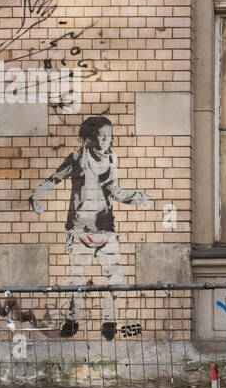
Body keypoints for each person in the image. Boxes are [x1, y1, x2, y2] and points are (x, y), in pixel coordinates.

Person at [29, 115, 152, 340]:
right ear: (88, 138)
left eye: (109, 136)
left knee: (115, 277)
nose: (106, 140)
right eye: (101, 136)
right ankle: (72, 319)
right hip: (80, 230)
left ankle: (109, 321)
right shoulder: (77, 158)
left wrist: (136, 198)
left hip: (106, 230)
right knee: (77, 278)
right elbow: (54, 178)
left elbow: (113, 190)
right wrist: (36, 196)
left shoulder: (113, 159)